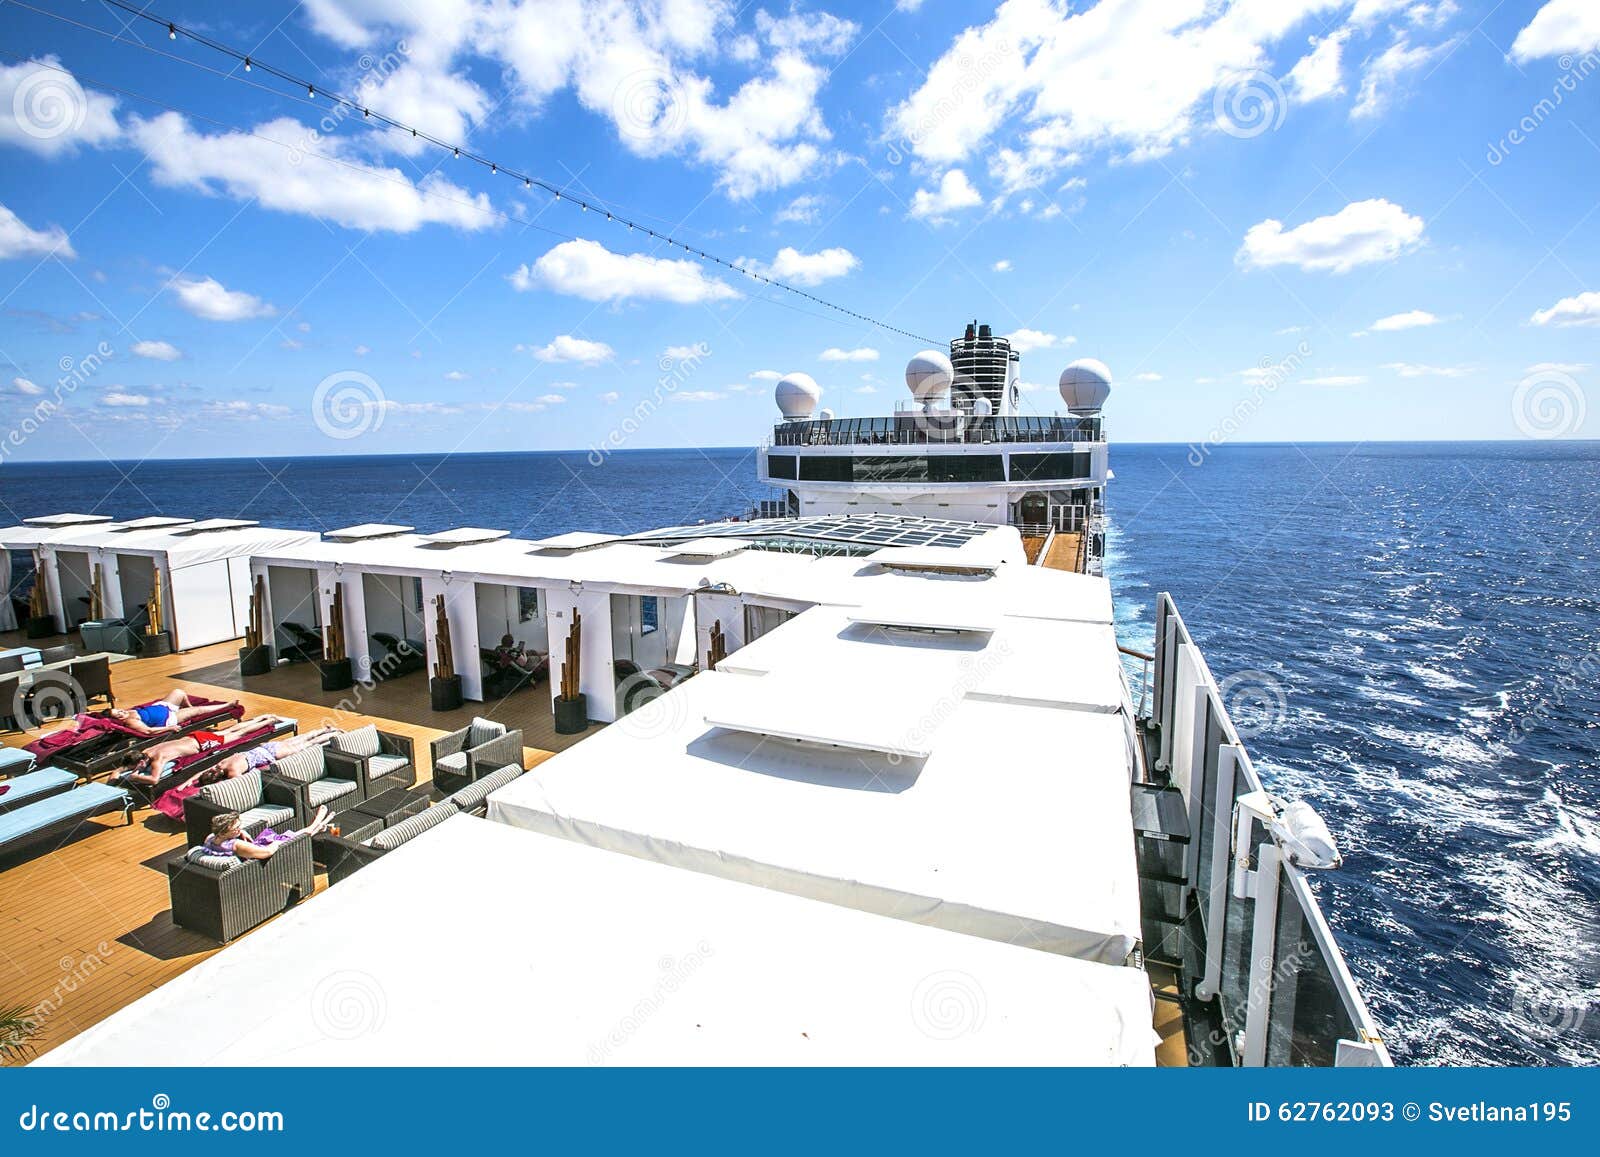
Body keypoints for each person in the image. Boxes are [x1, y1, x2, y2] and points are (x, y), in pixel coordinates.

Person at [202, 806, 334, 861]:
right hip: (267, 856)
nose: (240, 828)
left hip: (253, 850)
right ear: (226, 831)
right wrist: (276, 842)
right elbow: (267, 853)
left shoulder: (210, 838)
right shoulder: (236, 845)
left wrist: (240, 831)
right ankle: (316, 824)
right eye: (237, 828)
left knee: (290, 835)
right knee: (294, 836)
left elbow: (227, 836)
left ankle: (319, 826)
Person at [106, 689, 224, 735]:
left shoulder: (127, 712)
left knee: (179, 692)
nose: (122, 712)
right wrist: (170, 728)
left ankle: (189, 707)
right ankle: (227, 705)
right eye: (119, 714)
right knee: (198, 710)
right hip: (168, 718)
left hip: (163, 707)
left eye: (119, 710)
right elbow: (148, 731)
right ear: (119, 719)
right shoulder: (131, 721)